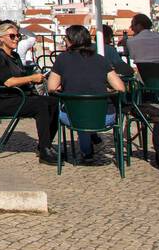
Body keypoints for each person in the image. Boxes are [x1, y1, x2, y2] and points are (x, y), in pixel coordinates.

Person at [47, 25, 124, 163]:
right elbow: (120, 87)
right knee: (87, 112)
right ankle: (92, 143)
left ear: (70, 41)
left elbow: (51, 87)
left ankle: (87, 153)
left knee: (80, 113)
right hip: (105, 117)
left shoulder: (62, 59)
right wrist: (104, 89)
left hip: (73, 117)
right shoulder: (101, 59)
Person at [0, 23, 60, 163]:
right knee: (40, 105)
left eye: (18, 36)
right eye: (12, 36)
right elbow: (8, 82)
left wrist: (34, 79)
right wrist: (31, 78)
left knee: (54, 102)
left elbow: (20, 77)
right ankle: (44, 149)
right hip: (4, 101)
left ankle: (45, 144)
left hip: (19, 96)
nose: (16, 39)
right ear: (1, 38)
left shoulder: (14, 56)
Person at [124, 13, 159, 81]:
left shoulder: (131, 41)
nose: (131, 28)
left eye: (133, 25)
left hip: (146, 80)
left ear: (139, 25)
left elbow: (132, 57)